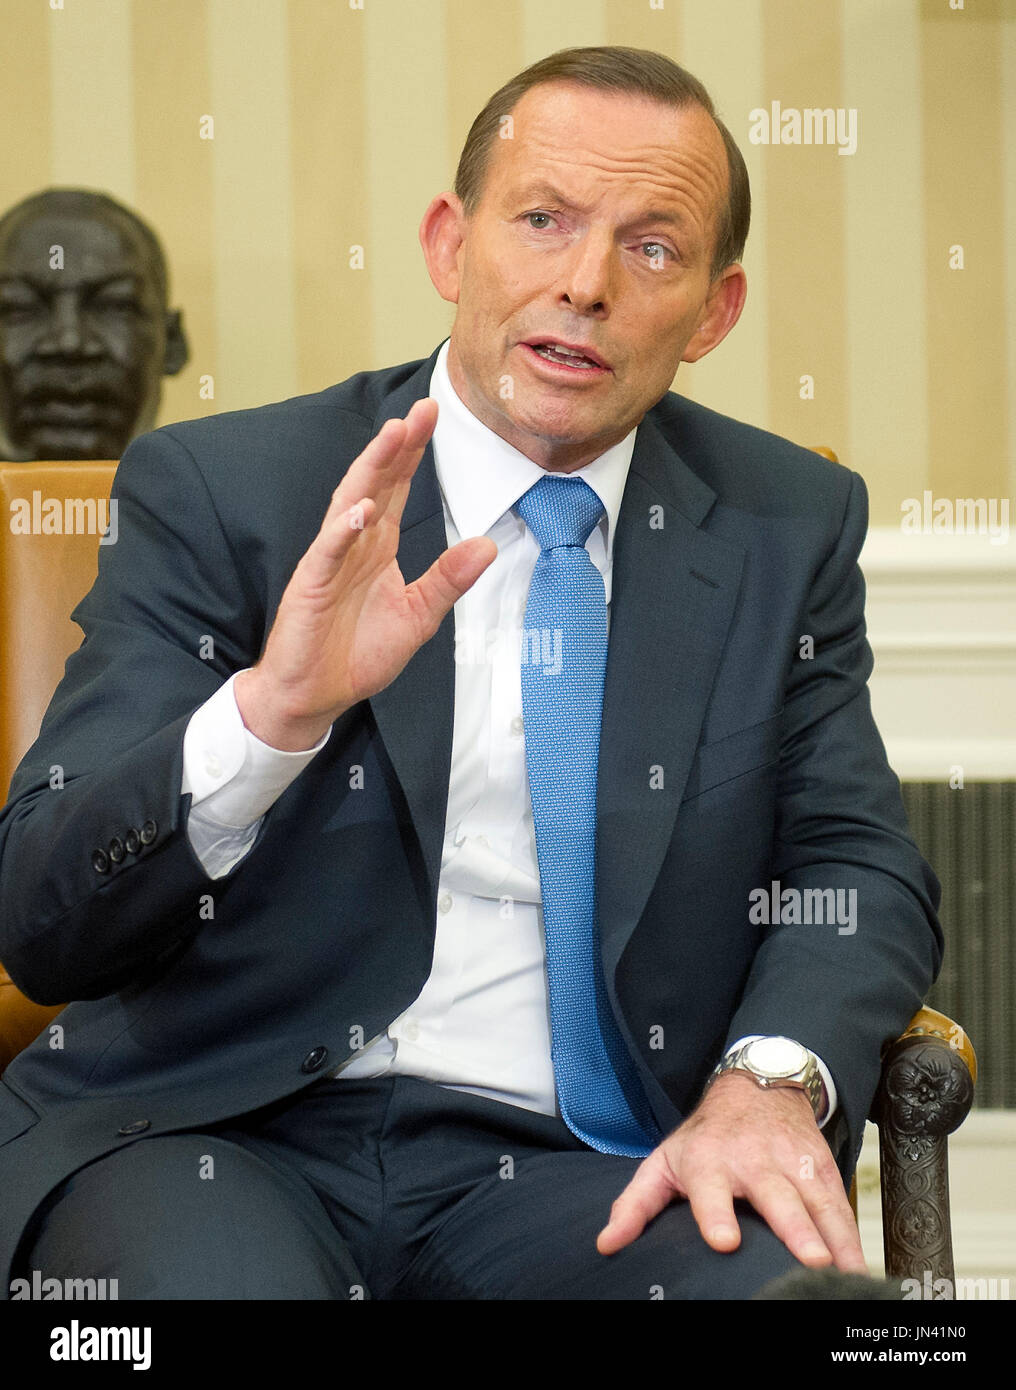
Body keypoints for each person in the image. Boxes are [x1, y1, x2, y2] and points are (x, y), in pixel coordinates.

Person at [0, 46, 941, 1300]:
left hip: (587, 1163)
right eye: (542, 220)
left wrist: (764, 1081)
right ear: (451, 246)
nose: (584, 285)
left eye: (651, 248)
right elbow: (42, 911)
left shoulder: (785, 523)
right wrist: (267, 720)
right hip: (211, 1137)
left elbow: (854, 864)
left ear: (714, 311)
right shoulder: (230, 491)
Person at [0, 188, 188, 462]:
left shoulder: (236, 500)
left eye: (116, 305)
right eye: (20, 307)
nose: (69, 344)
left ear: (171, 343)